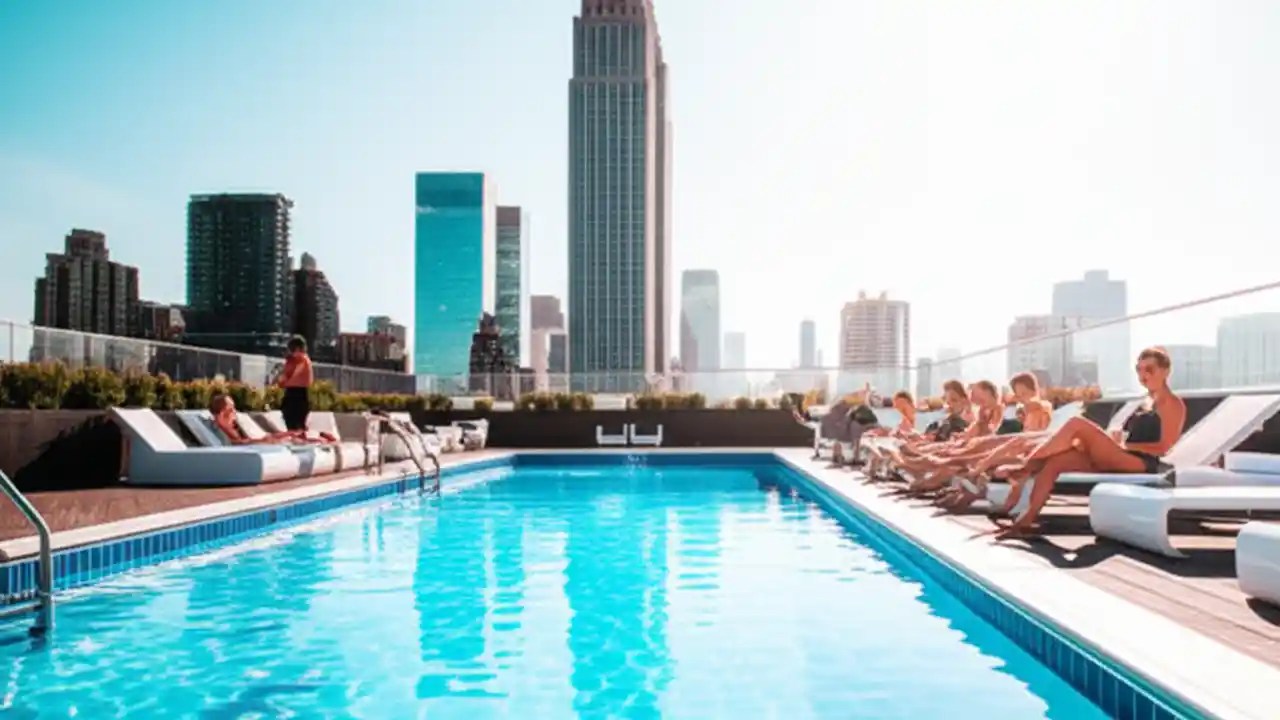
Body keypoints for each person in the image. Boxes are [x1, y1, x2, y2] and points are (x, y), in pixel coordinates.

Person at [991, 347, 1186, 539]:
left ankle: (1025, 466)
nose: (1143, 375)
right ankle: (1025, 519)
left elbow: (1164, 447)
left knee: (1077, 424)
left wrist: (1124, 446)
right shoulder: (1146, 402)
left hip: (1142, 463)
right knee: (1056, 462)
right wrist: (1119, 441)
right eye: (1139, 369)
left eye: (1149, 370)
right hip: (1123, 455)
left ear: (1165, 371)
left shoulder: (1172, 404)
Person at [209, 393, 324, 446]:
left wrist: (287, 434)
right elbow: (237, 444)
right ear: (221, 413)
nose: (235, 413)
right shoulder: (220, 428)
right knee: (301, 441)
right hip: (261, 446)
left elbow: (259, 438)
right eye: (231, 410)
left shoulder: (233, 427)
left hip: (264, 442)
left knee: (308, 439)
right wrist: (264, 441)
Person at [277, 336, 314, 432]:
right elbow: (284, 376)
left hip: (300, 393)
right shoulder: (290, 361)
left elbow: (294, 377)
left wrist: (285, 382)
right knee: (288, 420)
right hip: (290, 393)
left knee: (298, 422)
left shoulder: (304, 360)